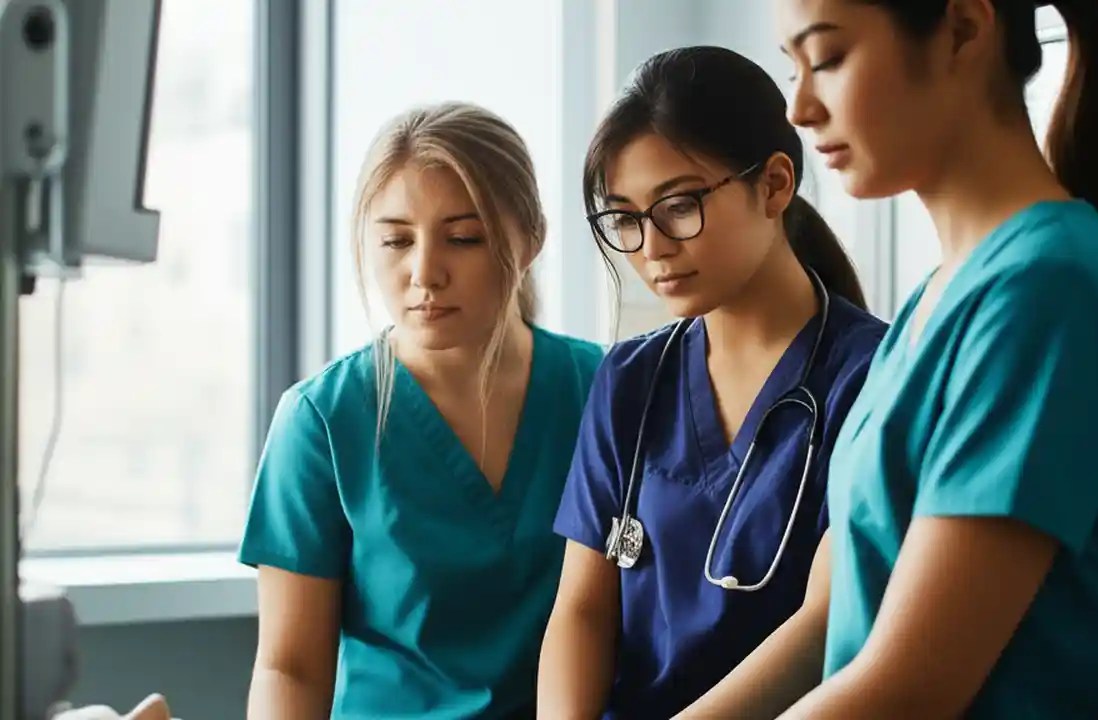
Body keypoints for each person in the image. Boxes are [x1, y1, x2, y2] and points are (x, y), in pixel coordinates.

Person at [744, 0, 1098, 718]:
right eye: (790, 68)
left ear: (963, 28)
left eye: (825, 59)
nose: (798, 107)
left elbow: (911, 687)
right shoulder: (940, 298)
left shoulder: (1048, 290)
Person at [537, 46, 887, 720]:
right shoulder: (629, 381)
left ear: (775, 186)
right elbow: (581, 613)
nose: (652, 247)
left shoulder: (872, 378)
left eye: (678, 206)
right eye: (626, 220)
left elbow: (822, 628)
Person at [238, 103, 604, 719]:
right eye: (396, 240)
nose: (424, 273)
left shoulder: (603, 390)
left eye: (464, 238)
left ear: (531, 238)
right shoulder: (322, 421)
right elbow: (289, 667)